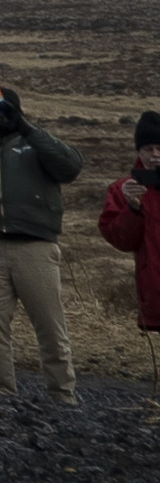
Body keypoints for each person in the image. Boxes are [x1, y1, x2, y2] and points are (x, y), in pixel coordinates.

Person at [0, 64, 84, 399]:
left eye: (1, 114)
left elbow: (71, 166)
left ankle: (62, 392)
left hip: (36, 246)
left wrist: (26, 128)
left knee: (50, 325)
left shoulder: (34, 144)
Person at [99, 113, 160, 338]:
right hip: (154, 286)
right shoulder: (122, 189)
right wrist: (132, 208)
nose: (155, 155)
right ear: (139, 152)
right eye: (148, 149)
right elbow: (121, 240)